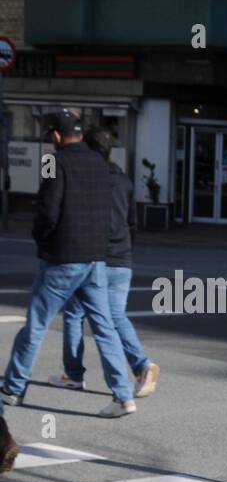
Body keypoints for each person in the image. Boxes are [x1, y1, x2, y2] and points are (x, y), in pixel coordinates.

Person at [0, 109, 137, 418]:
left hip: (62, 258)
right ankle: (123, 395)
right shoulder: (101, 164)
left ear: (57, 137)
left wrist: (41, 238)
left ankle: (13, 388)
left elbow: (47, 210)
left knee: (36, 324)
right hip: (96, 259)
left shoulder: (52, 162)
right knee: (104, 327)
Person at [53, 127, 161, 399]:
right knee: (115, 316)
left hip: (92, 257)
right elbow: (132, 222)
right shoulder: (124, 180)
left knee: (75, 314)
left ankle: (74, 375)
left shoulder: (88, 177)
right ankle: (141, 365)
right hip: (122, 258)